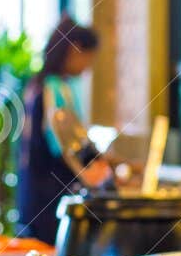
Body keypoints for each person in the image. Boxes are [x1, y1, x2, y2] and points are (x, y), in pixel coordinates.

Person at [15, 16, 127, 244]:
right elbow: (69, 148)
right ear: (75, 50)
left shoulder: (37, 85)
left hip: (33, 197)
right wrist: (106, 169)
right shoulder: (55, 90)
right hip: (50, 200)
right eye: (89, 58)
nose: (88, 67)